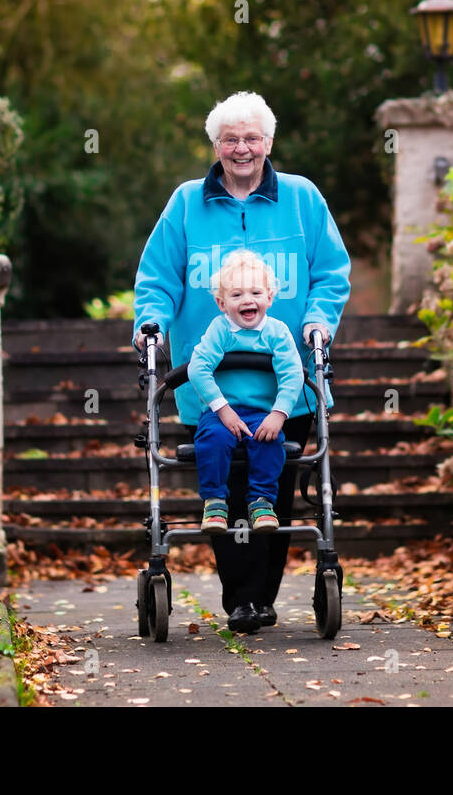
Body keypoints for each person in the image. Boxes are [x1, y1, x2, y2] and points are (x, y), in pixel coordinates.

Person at [132, 90, 351, 634]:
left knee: (274, 484)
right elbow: (157, 278)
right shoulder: (186, 203)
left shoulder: (302, 198)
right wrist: (149, 325)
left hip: (286, 380)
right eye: (230, 139)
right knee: (223, 486)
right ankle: (241, 599)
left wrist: (320, 319)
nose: (242, 149)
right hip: (208, 386)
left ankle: (260, 595)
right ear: (216, 145)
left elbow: (330, 271)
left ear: (269, 142)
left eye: (252, 138)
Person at [188, 250, 304, 536]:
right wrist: (223, 410)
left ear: (269, 298)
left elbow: (292, 373)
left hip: (262, 413)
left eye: (255, 292)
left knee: (269, 440)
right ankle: (214, 502)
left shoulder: (277, 332)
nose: (247, 300)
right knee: (212, 439)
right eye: (237, 295)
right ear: (221, 303)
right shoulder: (220, 330)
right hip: (221, 413)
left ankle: (261, 502)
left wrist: (278, 414)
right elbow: (198, 368)